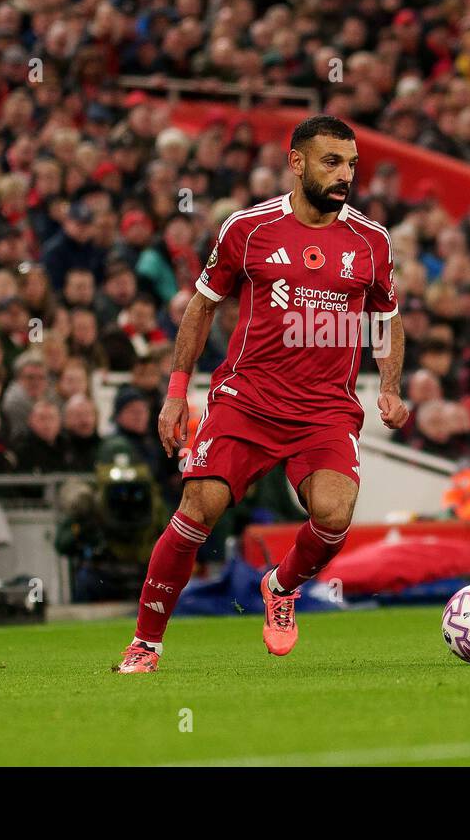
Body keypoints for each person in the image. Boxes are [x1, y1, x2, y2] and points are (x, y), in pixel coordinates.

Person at [115, 116, 408, 674]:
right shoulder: (246, 229)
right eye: (331, 162)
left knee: (334, 514)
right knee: (199, 509)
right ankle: (145, 644)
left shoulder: (372, 241)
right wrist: (177, 393)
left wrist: (389, 388)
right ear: (296, 163)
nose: (345, 175)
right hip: (246, 400)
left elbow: (388, 318)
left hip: (324, 409)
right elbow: (201, 306)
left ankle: (281, 585)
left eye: (351, 164)